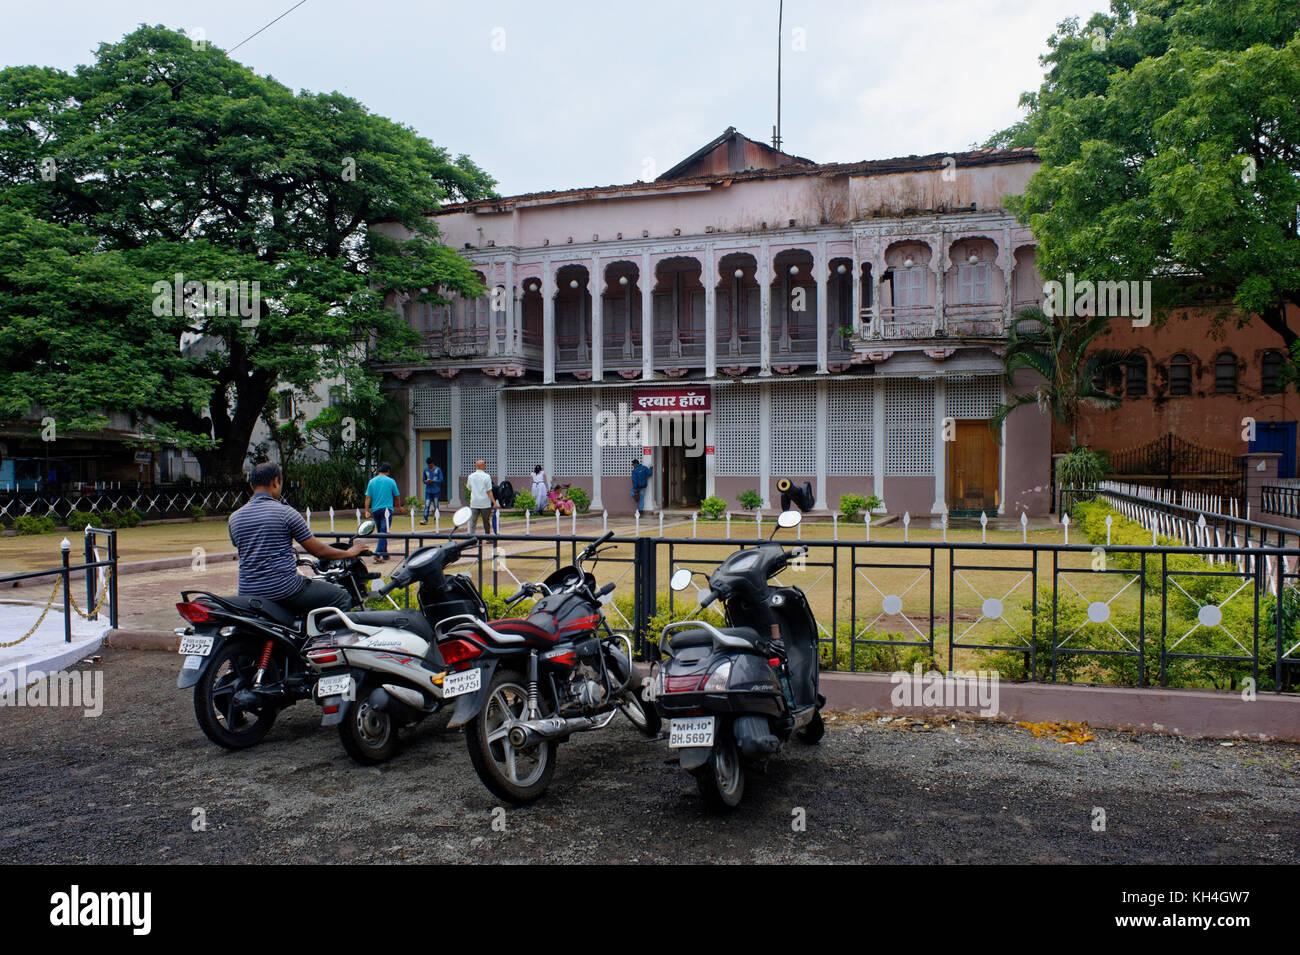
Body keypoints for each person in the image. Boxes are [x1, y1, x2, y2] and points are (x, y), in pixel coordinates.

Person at [227, 462, 367, 614]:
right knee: (341, 597)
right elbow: (319, 551)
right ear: (276, 482)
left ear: (252, 486)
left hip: (247, 591)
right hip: (283, 589)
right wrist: (350, 552)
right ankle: (325, 637)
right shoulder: (286, 513)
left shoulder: (234, 518)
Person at [364, 462, 404, 563]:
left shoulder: (372, 481)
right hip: (387, 510)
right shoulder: (391, 481)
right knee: (384, 532)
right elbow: (396, 496)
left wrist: (366, 511)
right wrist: (399, 507)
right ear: (388, 471)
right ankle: (377, 554)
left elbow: (368, 497)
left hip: (375, 510)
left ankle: (385, 555)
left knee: (382, 532)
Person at [466, 459, 497, 536]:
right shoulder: (487, 476)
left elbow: (470, 489)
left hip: (474, 502)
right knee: (486, 521)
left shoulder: (470, 477)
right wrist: (494, 502)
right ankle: (487, 536)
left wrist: (473, 497)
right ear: (482, 466)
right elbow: (489, 491)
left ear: (476, 466)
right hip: (485, 503)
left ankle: (471, 537)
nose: (485, 467)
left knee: (473, 521)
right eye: (484, 465)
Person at [420, 457, 443, 524]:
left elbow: (441, 479)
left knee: (436, 505)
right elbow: (423, 479)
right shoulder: (426, 470)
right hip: (428, 491)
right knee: (427, 505)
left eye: (430, 464)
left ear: (433, 463)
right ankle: (425, 519)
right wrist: (426, 481)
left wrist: (433, 481)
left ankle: (436, 519)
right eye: (428, 465)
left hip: (436, 490)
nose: (429, 466)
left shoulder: (438, 470)